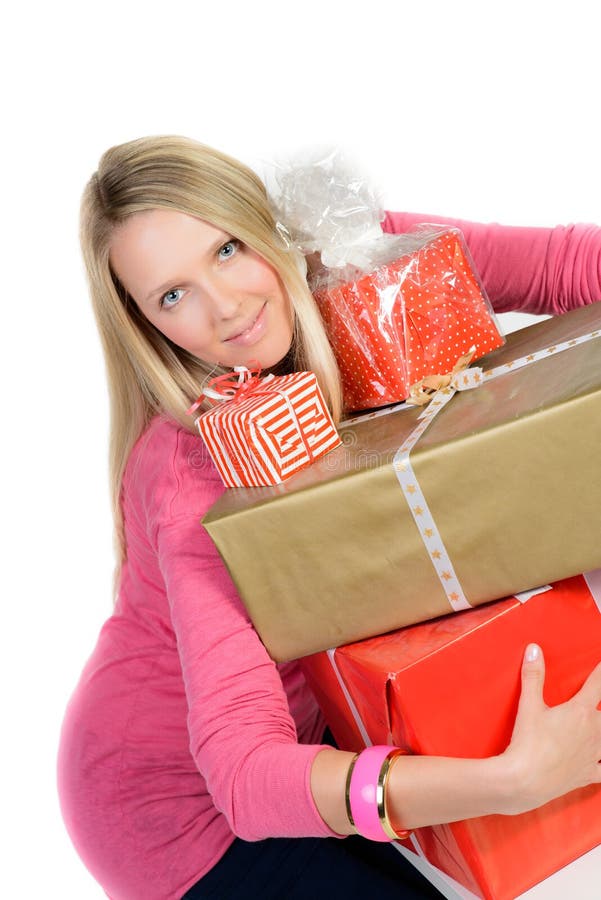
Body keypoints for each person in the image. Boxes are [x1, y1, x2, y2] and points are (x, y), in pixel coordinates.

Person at [57, 134, 601, 900]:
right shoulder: (189, 472)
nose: (228, 307)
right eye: (171, 296)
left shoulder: (350, 261)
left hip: (319, 732)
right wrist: (508, 782)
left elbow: (563, 268)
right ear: (148, 327)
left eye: (227, 249)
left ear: (263, 222)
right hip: (178, 812)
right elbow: (244, 775)